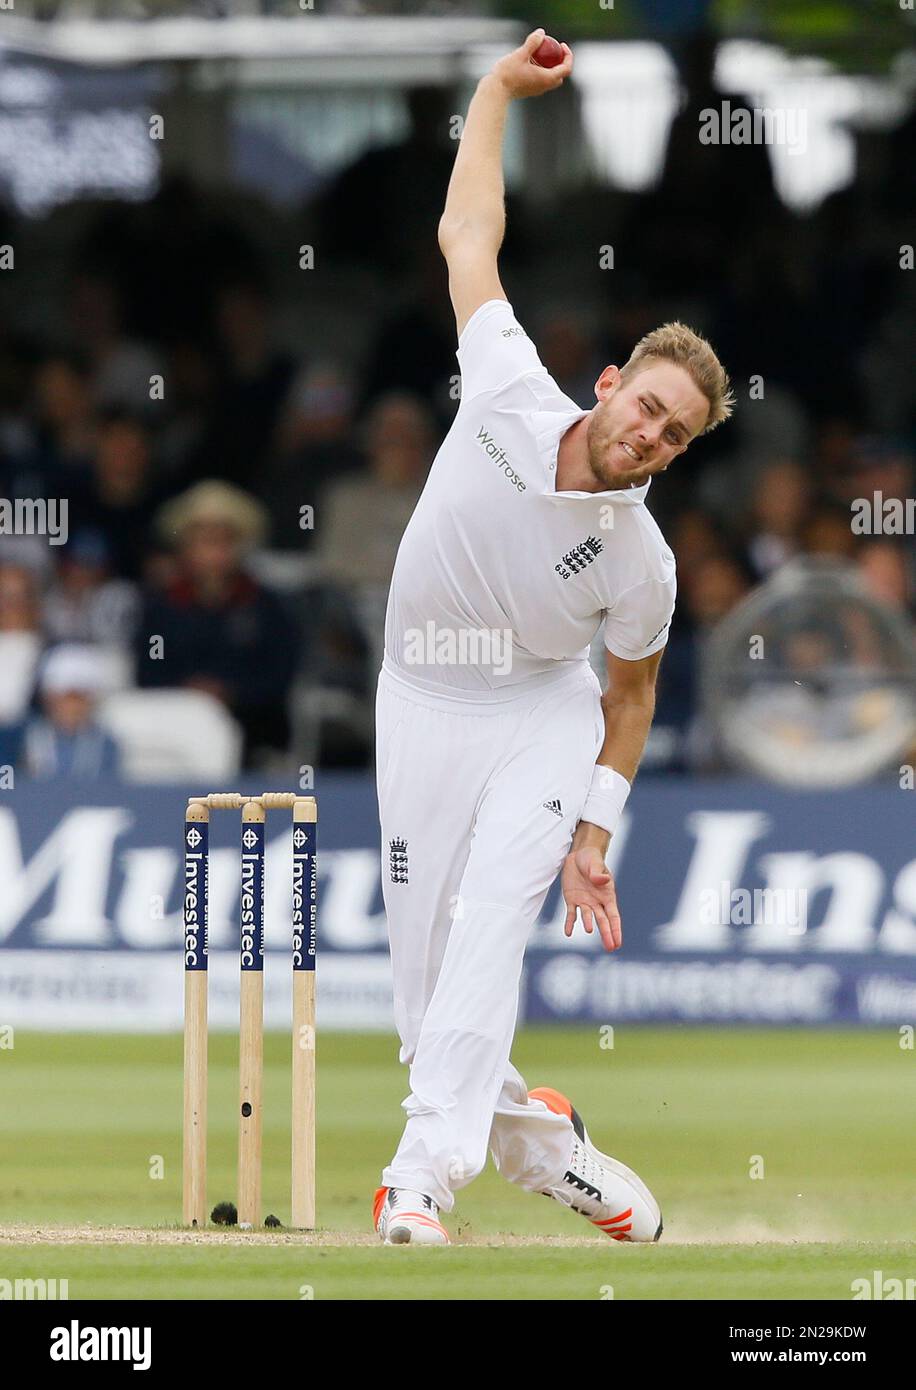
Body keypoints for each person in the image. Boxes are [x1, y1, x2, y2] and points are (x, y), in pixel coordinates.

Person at [372, 32, 734, 1247]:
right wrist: (493, 96)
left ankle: (420, 1180)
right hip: (419, 699)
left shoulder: (643, 563)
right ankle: (546, 1148)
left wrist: (594, 830)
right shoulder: (507, 385)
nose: (649, 435)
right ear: (612, 379)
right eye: (647, 405)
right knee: (426, 1012)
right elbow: (466, 237)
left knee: (488, 932)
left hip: (538, 715)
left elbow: (627, 698)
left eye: (674, 435)